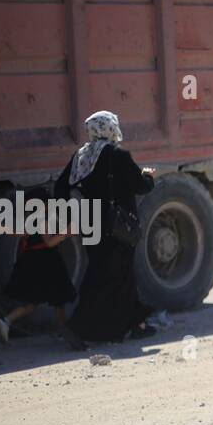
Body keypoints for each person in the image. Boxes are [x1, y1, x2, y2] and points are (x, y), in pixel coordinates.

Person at [55, 111, 156, 349]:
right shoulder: (117, 155)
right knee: (105, 278)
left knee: (119, 275)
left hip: (90, 225)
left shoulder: (81, 156)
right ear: (111, 129)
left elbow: (61, 188)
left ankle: (134, 325)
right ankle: (76, 328)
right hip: (116, 227)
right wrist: (149, 177)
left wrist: (73, 214)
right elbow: (140, 186)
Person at [0, 222, 77, 344]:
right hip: (46, 261)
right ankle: (65, 331)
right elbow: (49, 243)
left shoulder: (32, 219)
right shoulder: (44, 219)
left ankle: (5, 321)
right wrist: (65, 233)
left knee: (33, 301)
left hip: (32, 259)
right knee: (59, 297)